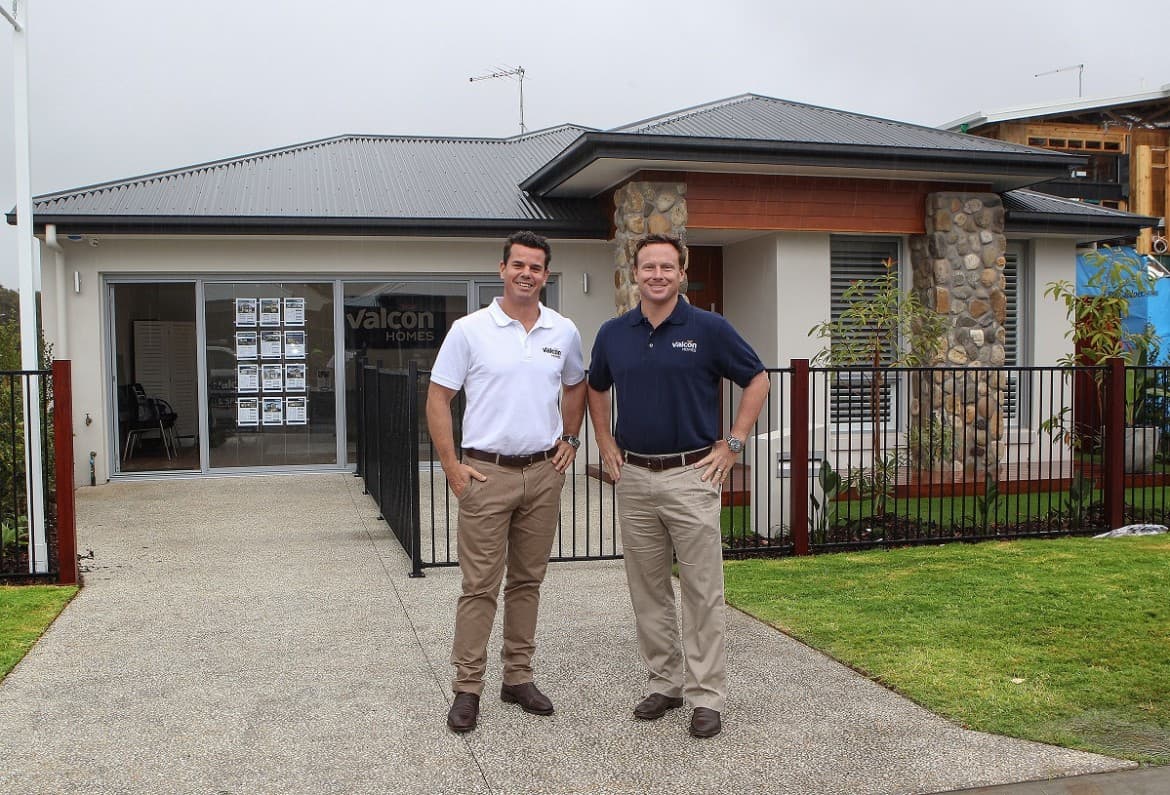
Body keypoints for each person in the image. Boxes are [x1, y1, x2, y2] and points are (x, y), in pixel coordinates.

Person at [586, 233, 769, 739]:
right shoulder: (613, 333)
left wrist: (733, 444)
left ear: (682, 273)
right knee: (647, 590)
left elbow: (756, 379)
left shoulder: (709, 328)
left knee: (702, 590)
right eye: (649, 267)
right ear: (635, 272)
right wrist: (604, 441)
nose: (658, 275)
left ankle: (706, 695)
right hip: (635, 476)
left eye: (667, 267)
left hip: (693, 475)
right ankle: (665, 683)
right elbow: (595, 387)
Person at [426, 230, 586, 734]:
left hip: (543, 473)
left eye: (536, 267)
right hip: (485, 473)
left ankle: (517, 677)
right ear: (502, 269)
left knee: (528, 582)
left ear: (545, 275)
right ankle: (467, 687)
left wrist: (571, 438)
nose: (526, 274)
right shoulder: (470, 330)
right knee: (479, 587)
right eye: (518, 264)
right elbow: (437, 399)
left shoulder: (563, 331)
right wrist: (452, 468)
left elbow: (576, 384)